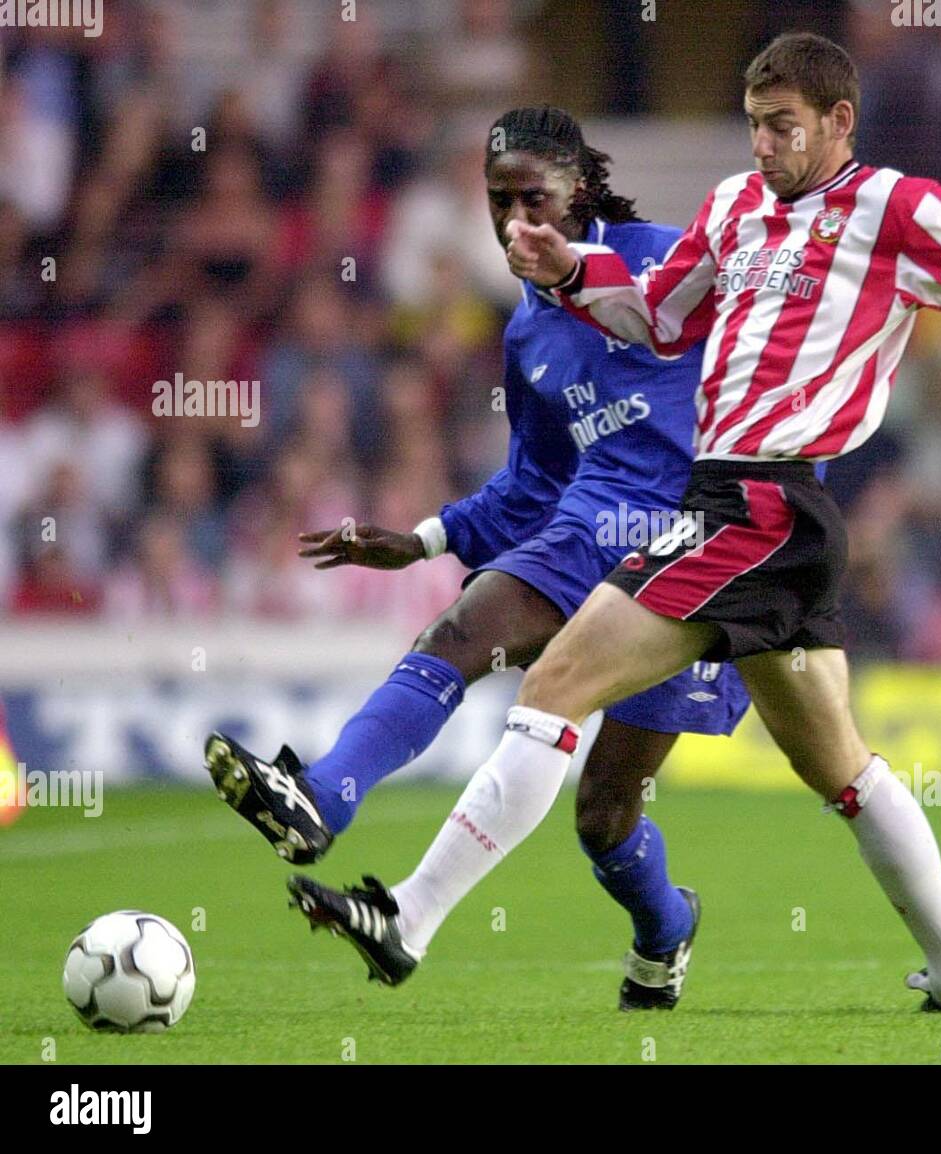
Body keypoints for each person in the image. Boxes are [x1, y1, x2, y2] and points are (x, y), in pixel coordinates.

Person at [291, 32, 941, 1014]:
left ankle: (407, 918)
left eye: (781, 126)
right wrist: (570, 269)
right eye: (753, 124)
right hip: (752, 512)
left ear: (839, 123)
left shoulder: (894, 208)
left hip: (764, 502)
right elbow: (659, 318)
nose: (761, 145)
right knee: (839, 765)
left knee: (555, 682)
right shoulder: (733, 210)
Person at [205, 106, 751, 1010]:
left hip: (702, 540)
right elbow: (530, 490)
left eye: (532, 198)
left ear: (579, 189)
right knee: (463, 626)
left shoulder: (669, 256)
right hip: (591, 528)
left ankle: (666, 929)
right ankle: (320, 798)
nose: (512, 222)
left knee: (606, 818)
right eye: (498, 201)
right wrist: (419, 538)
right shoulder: (529, 335)